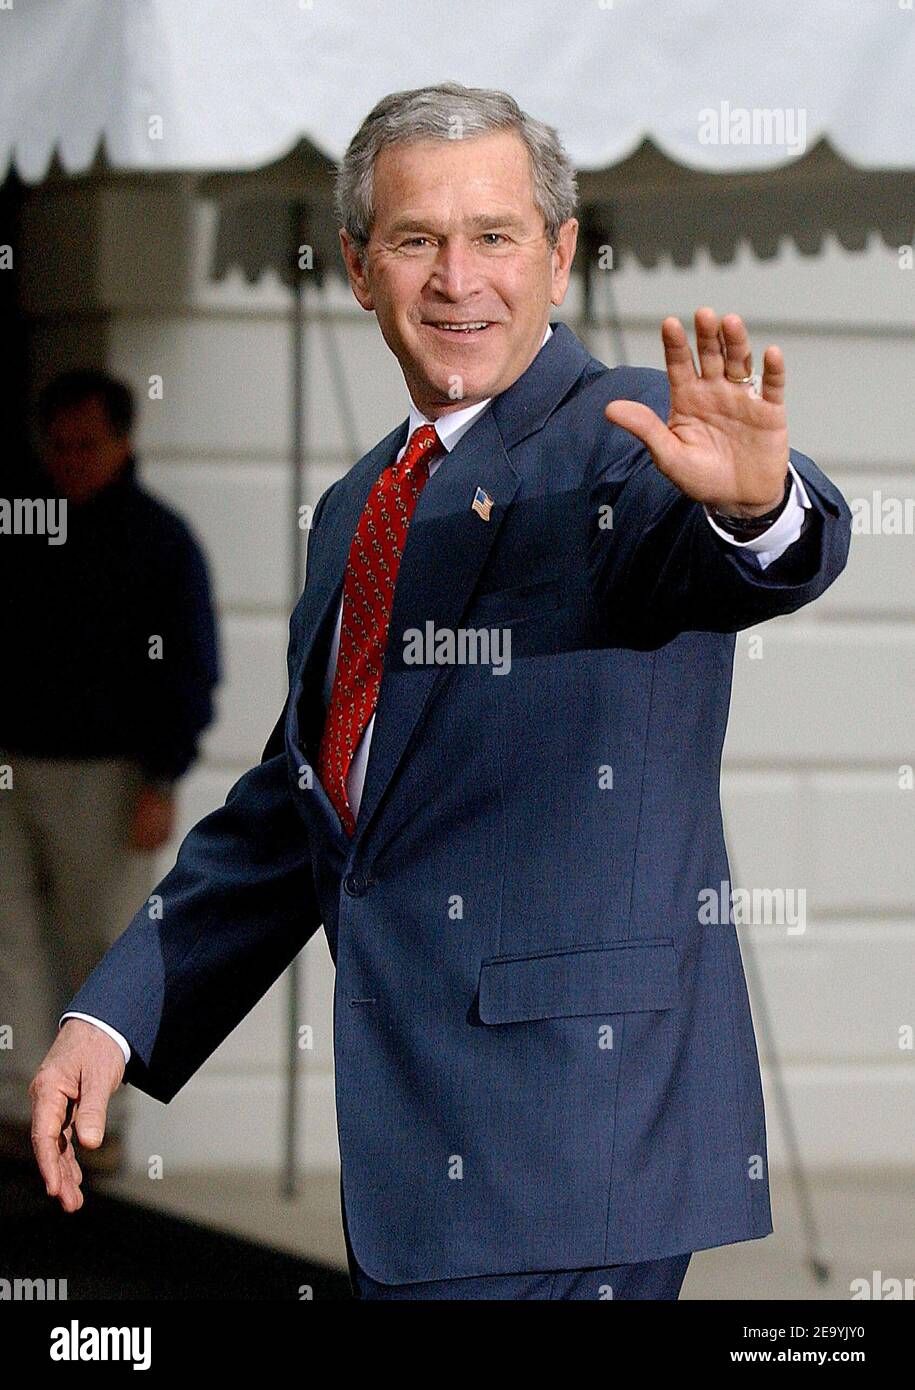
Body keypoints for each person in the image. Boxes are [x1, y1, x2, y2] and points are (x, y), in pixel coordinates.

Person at [30, 84, 851, 1299]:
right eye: (417, 239)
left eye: (496, 236)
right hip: (418, 1166)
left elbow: (752, 551)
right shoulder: (360, 504)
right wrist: (115, 1014)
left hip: (575, 1156)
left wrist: (754, 509)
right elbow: (299, 806)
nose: (457, 277)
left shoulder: (627, 439)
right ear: (360, 268)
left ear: (561, 256)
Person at [1, 368, 219, 1175]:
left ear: (123, 444)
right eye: (57, 446)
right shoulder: (23, 524)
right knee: (10, 938)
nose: (69, 461)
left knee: (106, 946)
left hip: (110, 771)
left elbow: (191, 669)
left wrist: (161, 779)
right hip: (15, 759)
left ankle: (97, 1118)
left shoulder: (158, 541)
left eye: (86, 445)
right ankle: (18, 1103)